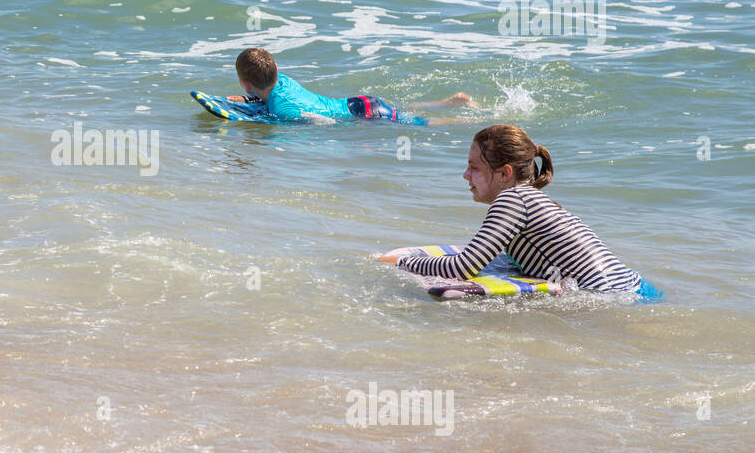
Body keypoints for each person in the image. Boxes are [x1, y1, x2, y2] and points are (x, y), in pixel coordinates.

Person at [377, 124, 660, 298]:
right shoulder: (533, 198)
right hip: (637, 288)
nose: (465, 175)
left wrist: (400, 261)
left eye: (474, 167)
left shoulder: (512, 200)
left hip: (610, 297)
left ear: (504, 173)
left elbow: (462, 268)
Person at [226, 47, 476, 124]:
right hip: (358, 102)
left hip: (364, 114)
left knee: (419, 123)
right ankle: (447, 103)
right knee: (400, 110)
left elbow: (319, 122)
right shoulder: (285, 82)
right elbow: (271, 98)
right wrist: (249, 100)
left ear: (246, 84)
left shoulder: (282, 110)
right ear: (275, 69)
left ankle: (469, 121)